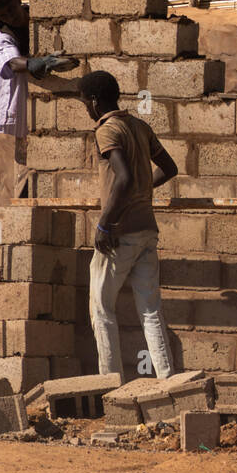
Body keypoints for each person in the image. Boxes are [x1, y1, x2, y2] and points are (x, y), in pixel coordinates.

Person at [79, 69, 180, 380]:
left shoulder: (107, 130)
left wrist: (105, 225)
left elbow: (122, 178)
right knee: (150, 312)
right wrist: (142, 190)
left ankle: (110, 385)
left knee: (101, 309)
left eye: (85, 102)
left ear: (94, 102)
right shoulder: (139, 125)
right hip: (147, 231)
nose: (86, 108)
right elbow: (169, 168)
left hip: (120, 234)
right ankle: (167, 381)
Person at [0, 0, 76, 197]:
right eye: (3, 15)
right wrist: (39, 63)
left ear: (18, 2)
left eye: (12, 10)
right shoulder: (4, 39)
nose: (10, 17)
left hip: (51, 112)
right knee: (27, 170)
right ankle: (24, 213)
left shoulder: (41, 18)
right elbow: (13, 63)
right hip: (26, 113)